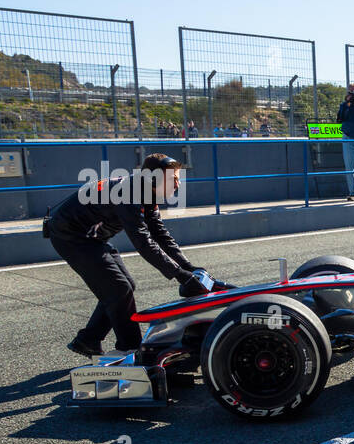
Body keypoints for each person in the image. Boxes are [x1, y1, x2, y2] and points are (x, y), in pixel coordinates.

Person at [46, 153, 233, 357]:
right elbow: (143, 243)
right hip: (71, 237)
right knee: (118, 289)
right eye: (173, 179)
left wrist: (189, 268)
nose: (178, 184)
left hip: (91, 237)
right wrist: (180, 275)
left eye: (178, 179)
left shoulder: (145, 192)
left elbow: (160, 235)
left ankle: (88, 340)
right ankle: (130, 347)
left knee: (122, 287)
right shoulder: (128, 193)